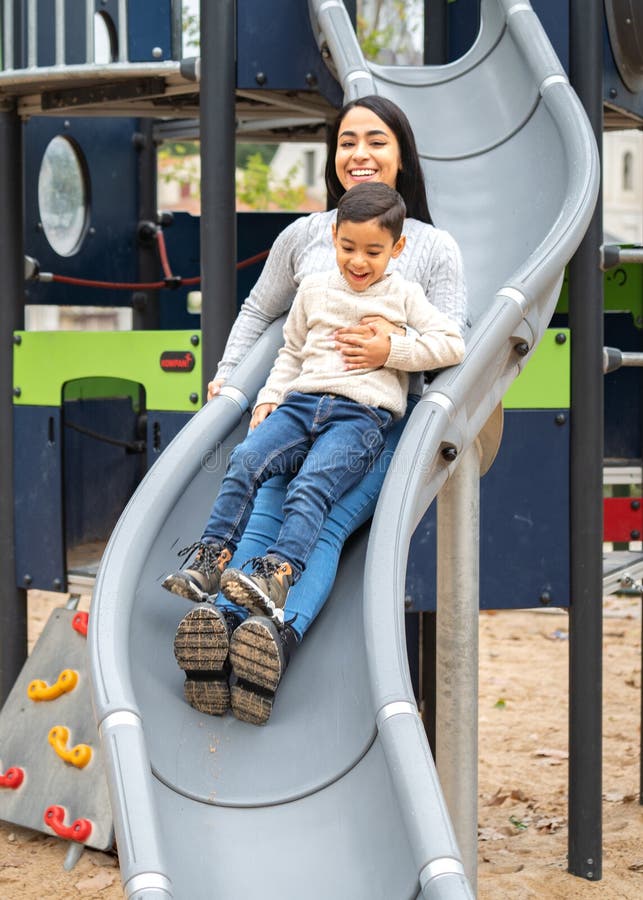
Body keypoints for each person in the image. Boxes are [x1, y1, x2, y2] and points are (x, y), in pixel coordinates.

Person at [166, 95, 468, 726]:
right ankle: (220, 629)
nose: (361, 153)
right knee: (265, 505)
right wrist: (232, 388)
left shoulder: (432, 250)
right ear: (333, 157)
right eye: (348, 141)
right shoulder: (306, 236)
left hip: (377, 423)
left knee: (319, 516)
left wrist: (393, 347)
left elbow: (455, 345)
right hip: (301, 404)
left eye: (377, 140)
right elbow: (262, 315)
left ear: (402, 155)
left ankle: (274, 638)